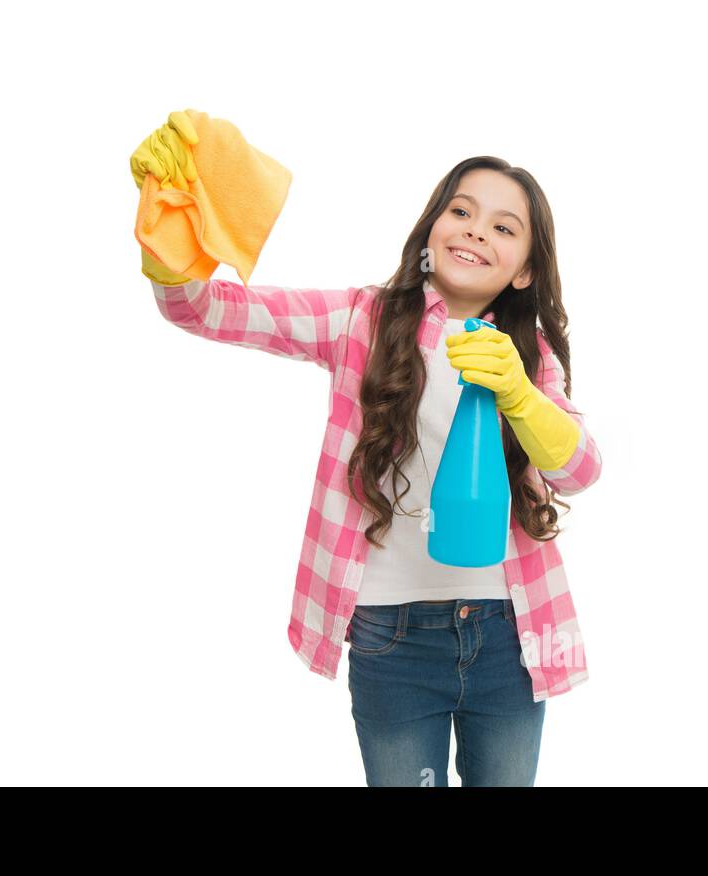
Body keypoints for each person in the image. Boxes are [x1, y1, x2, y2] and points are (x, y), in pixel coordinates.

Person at [131, 113, 602, 786]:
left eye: (504, 226)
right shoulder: (361, 320)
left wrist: (522, 395)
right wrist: (169, 228)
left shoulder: (531, 356)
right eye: (461, 211)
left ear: (526, 270)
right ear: (429, 233)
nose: (475, 228)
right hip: (392, 636)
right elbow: (205, 309)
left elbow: (581, 469)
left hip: (509, 635)